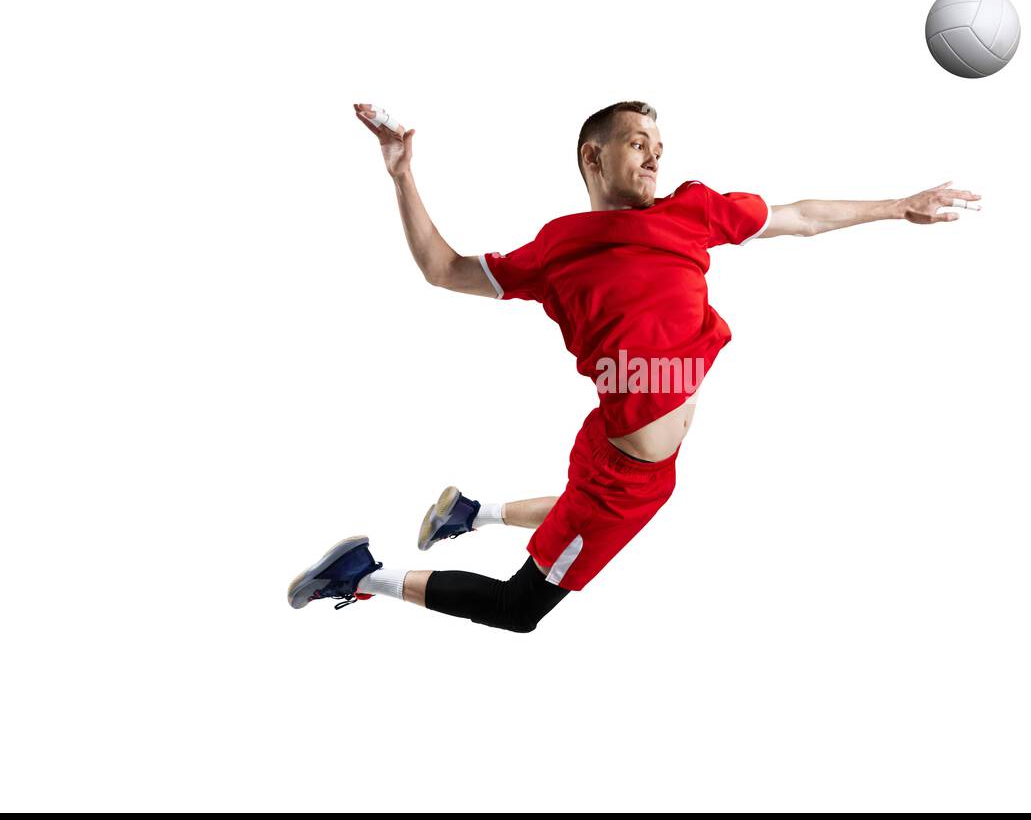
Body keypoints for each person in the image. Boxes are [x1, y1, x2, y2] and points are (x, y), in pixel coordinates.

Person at [286, 100, 981, 632]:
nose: (654, 158)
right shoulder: (559, 248)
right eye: (636, 144)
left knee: (574, 515)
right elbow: (443, 268)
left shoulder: (693, 211)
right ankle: (364, 575)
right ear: (593, 156)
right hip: (622, 469)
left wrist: (898, 207)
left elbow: (800, 215)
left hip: (645, 466)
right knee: (521, 606)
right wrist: (404, 174)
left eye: (659, 147)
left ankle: (471, 512)